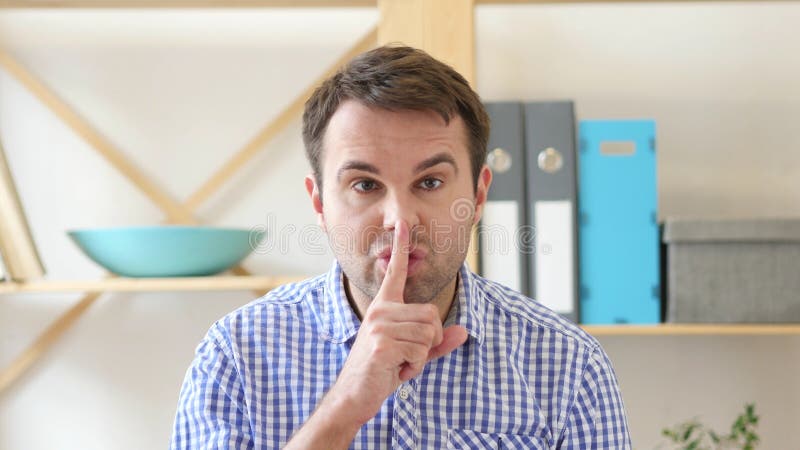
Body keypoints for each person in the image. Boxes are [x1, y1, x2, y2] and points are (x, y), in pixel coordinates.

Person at [171, 45, 631, 449]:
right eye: (365, 184)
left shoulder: (570, 367)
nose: (400, 220)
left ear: (477, 195)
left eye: (430, 182)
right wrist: (345, 405)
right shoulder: (234, 357)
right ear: (319, 202)